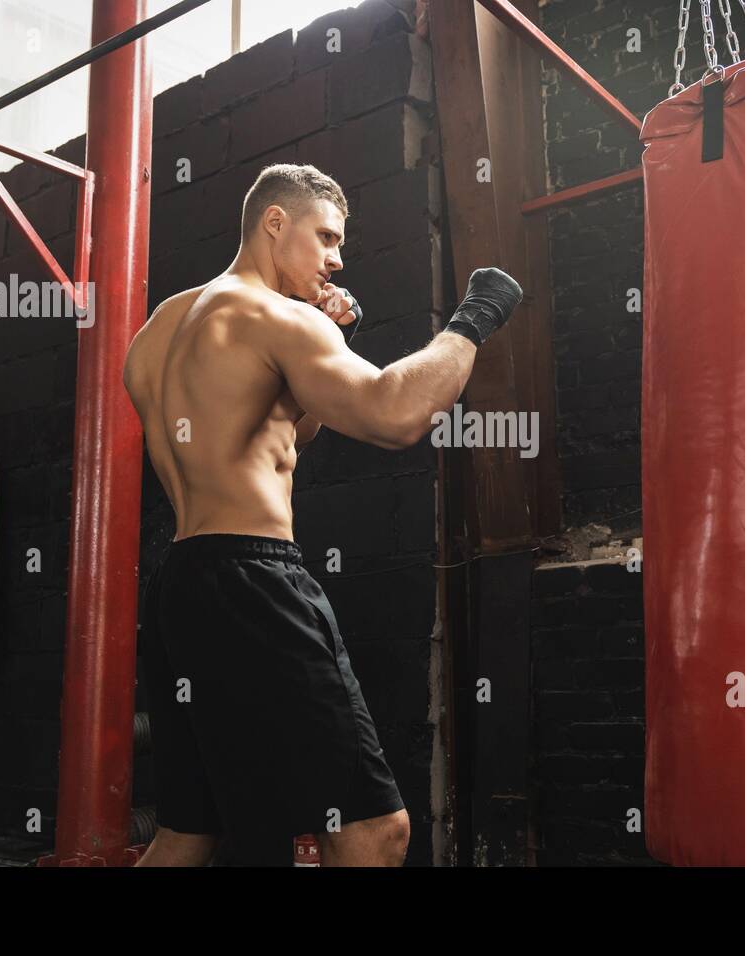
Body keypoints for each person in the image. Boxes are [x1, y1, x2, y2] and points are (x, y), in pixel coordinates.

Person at [122, 163, 523, 866]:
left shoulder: (161, 328)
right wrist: (473, 320)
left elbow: (280, 432)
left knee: (186, 834)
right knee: (375, 831)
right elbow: (393, 414)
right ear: (275, 223)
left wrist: (321, 343)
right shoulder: (274, 317)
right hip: (255, 579)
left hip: (182, 584)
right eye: (327, 237)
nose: (338, 258)